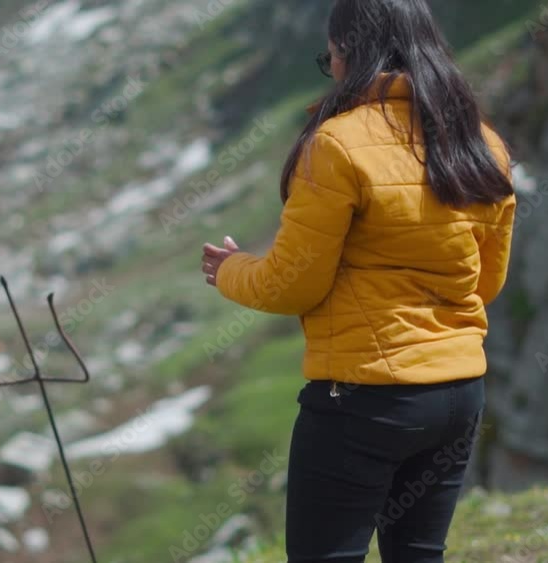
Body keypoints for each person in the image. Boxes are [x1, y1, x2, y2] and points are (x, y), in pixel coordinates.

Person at [200, 0, 516, 561]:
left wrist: (229, 272)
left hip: (364, 399)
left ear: (349, 53)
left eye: (331, 57)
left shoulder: (337, 143)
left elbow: (291, 286)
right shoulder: (483, 143)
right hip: (459, 394)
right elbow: (484, 283)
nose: (334, 68)